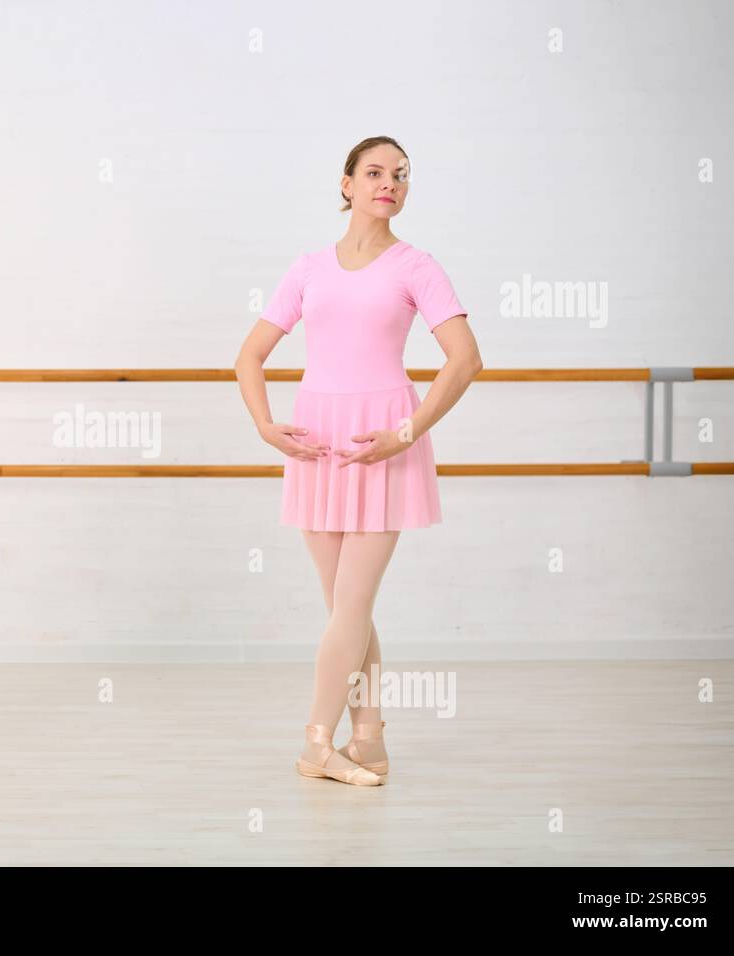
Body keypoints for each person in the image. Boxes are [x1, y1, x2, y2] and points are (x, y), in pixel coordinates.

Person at [235, 137, 483, 786]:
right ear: (346, 184)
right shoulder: (309, 267)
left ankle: (317, 742)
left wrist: (408, 431)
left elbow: (465, 360)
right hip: (317, 443)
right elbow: (249, 356)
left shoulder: (416, 267)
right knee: (348, 612)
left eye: (400, 175)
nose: (389, 183)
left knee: (352, 606)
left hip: (382, 444)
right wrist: (267, 427)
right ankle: (368, 738)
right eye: (374, 172)